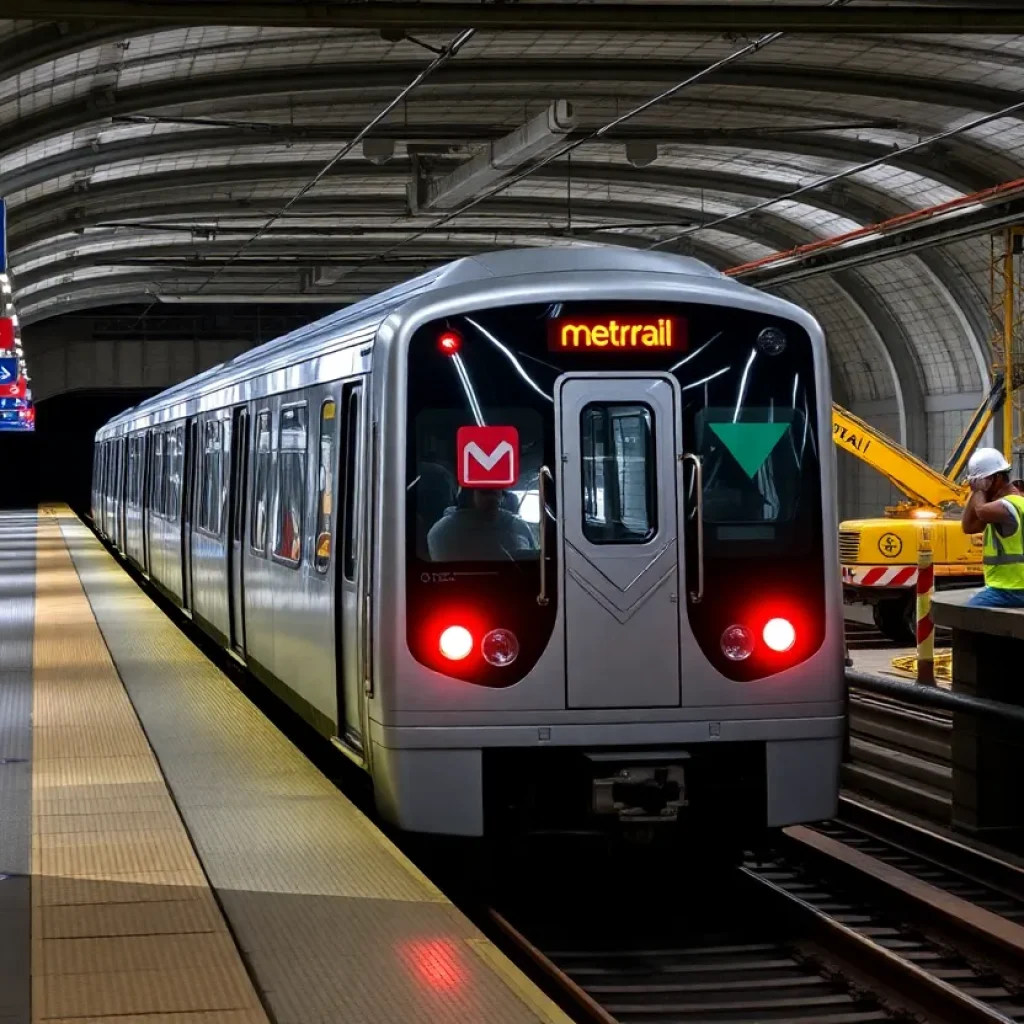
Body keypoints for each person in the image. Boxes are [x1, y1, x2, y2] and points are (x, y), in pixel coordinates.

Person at [960, 448, 1024, 608]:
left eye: (984, 480)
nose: (982, 485)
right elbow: (968, 527)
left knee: (970, 615)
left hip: (1013, 589)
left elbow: (981, 512)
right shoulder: (1002, 506)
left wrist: (978, 491)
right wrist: (975, 493)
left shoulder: (1008, 505)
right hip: (1007, 586)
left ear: (999, 477)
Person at [427, 487, 537, 562]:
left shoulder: (440, 530)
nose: (493, 498)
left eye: (495, 491)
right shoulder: (518, 527)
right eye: (485, 491)